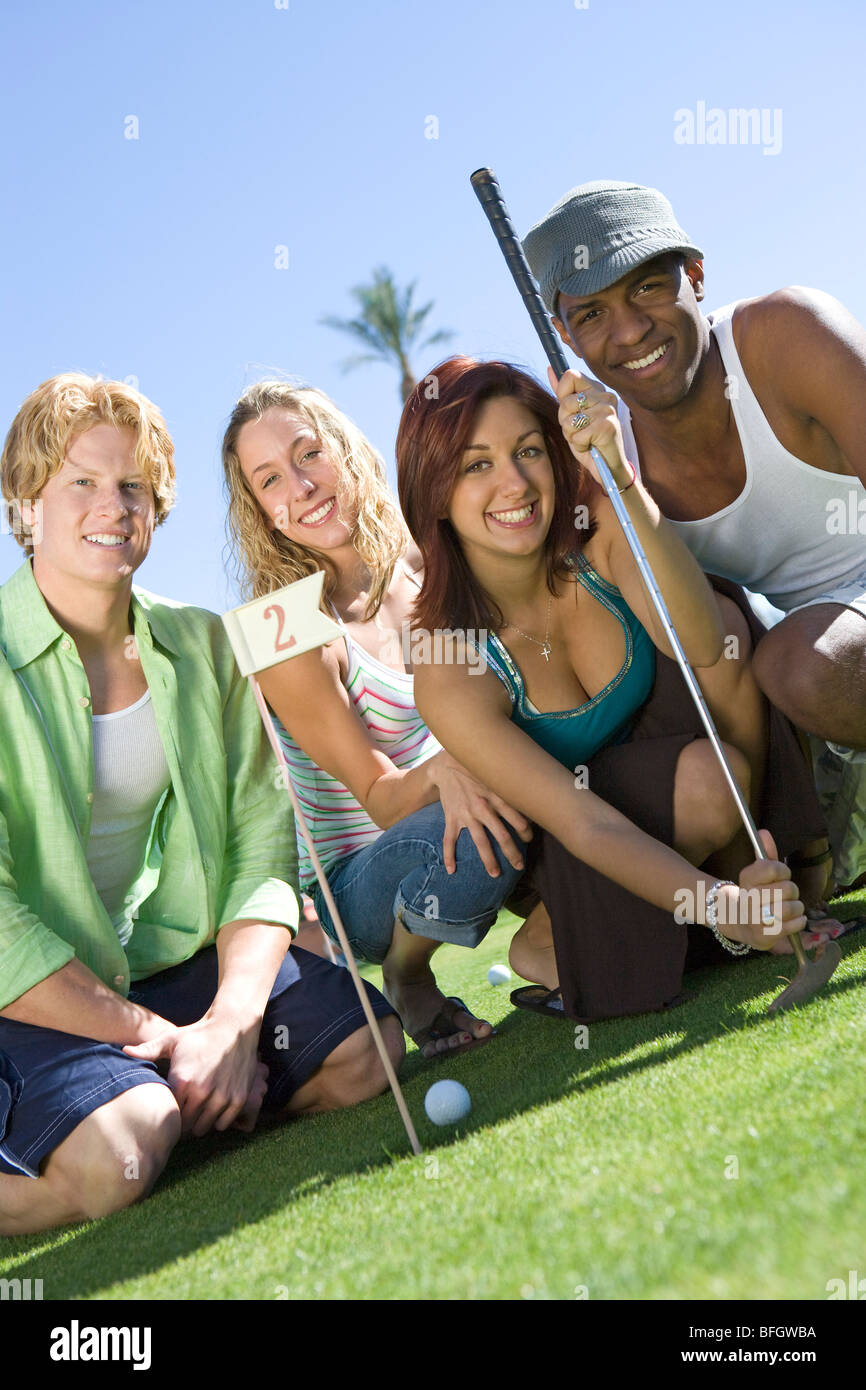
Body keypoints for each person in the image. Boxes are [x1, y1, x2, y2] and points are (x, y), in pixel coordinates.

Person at [0, 373, 404, 1235]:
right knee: (118, 1155)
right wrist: (166, 1036)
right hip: (30, 993)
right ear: (25, 502)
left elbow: (262, 846)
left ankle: (181, 1098)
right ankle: (156, 1101)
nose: (113, 507)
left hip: (166, 959)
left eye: (132, 487)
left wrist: (230, 1019)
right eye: (82, 482)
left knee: (369, 1053)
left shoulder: (201, 644)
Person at [396, 355, 831, 1022]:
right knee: (709, 784)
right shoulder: (450, 666)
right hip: (577, 837)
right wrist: (727, 913)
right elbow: (581, 821)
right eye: (476, 464)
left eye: (530, 450)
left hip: (674, 761)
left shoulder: (595, 525)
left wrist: (621, 479)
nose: (513, 484)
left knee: (719, 614)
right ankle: (557, 936)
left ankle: (762, 866)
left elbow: (704, 648)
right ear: (435, 489)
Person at [522, 179, 866, 891]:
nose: (628, 332)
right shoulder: (611, 462)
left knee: (798, 663)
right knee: (769, 657)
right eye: (591, 313)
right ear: (565, 335)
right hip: (818, 651)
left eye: (647, 288)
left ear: (697, 276)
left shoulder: (785, 335)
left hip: (824, 651)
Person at [221, 381, 531, 1057]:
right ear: (264, 514)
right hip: (357, 883)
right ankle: (407, 971)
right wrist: (459, 765)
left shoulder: (430, 566)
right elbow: (380, 796)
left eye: (309, 454)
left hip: (456, 803)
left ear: (347, 449)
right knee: (496, 799)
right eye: (271, 480)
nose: (301, 486)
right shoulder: (284, 627)